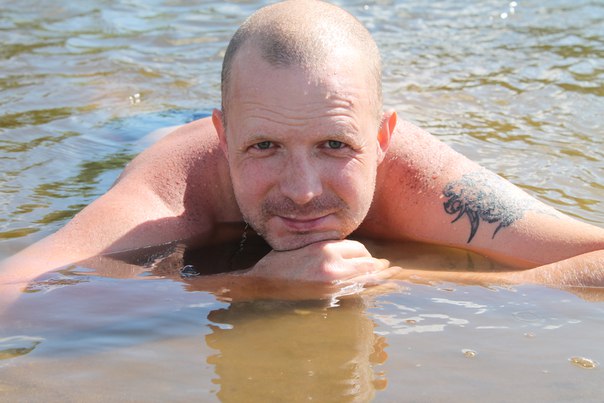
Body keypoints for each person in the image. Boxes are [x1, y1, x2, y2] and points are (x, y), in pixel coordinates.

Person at [1, 0, 603, 307]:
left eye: (334, 146)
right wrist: (251, 285)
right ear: (224, 137)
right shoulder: (167, 194)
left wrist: (396, 281)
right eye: (264, 147)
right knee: (112, 107)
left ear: (382, 139)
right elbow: (15, 290)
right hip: (153, 135)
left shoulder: (420, 178)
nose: (303, 189)